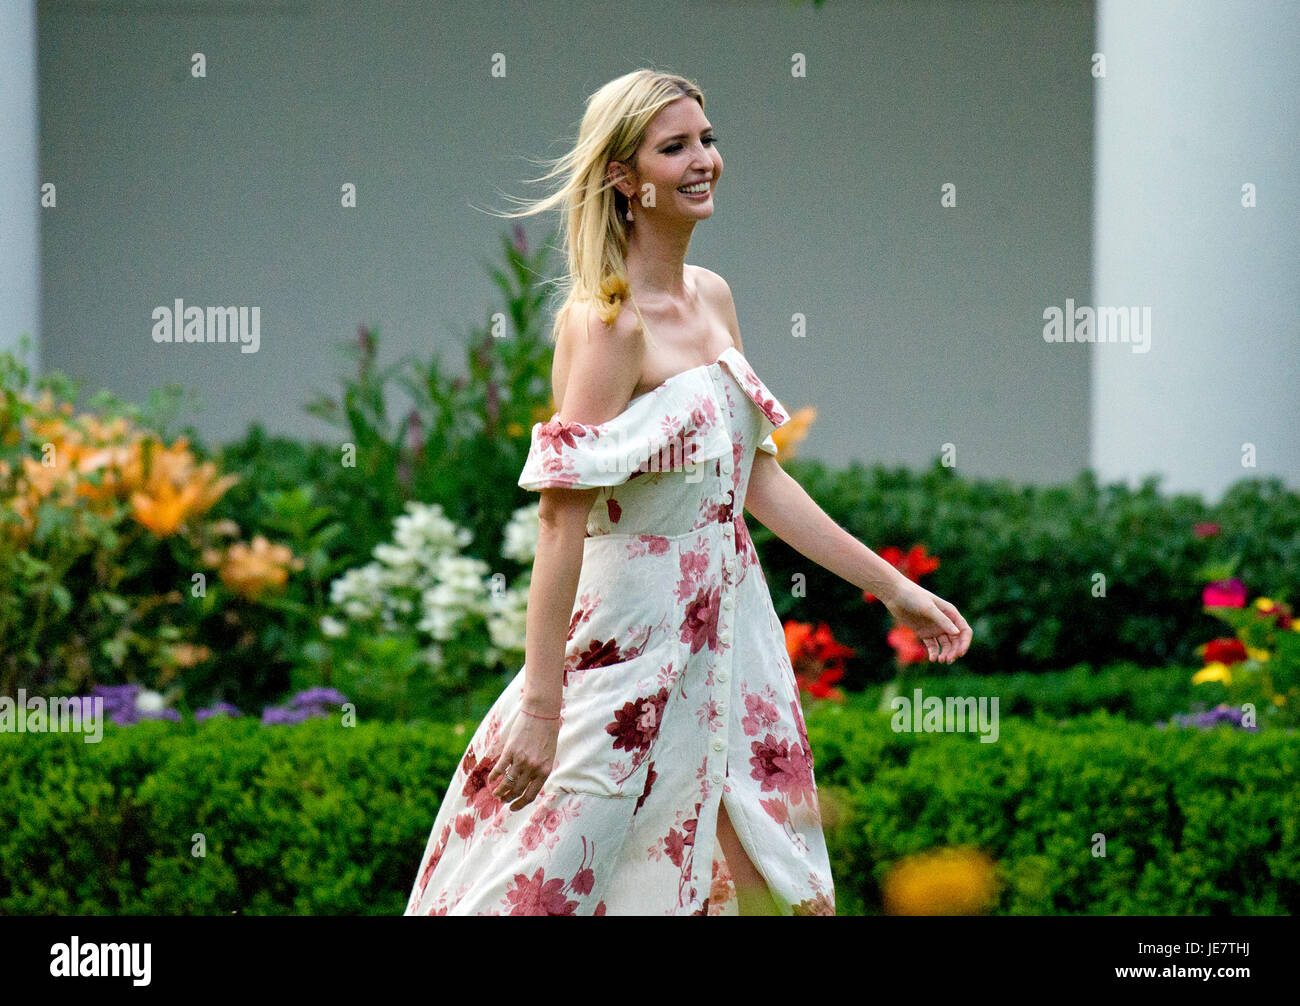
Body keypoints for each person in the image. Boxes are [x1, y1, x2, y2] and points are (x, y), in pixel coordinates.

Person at [403, 68, 972, 916]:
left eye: (706, 138)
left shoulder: (713, 298)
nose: (704, 159)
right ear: (624, 179)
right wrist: (540, 704)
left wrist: (893, 589)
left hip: (728, 641)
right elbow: (561, 525)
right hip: (624, 651)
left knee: (756, 880)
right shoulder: (608, 324)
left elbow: (758, 482)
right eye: (675, 147)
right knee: (550, 880)